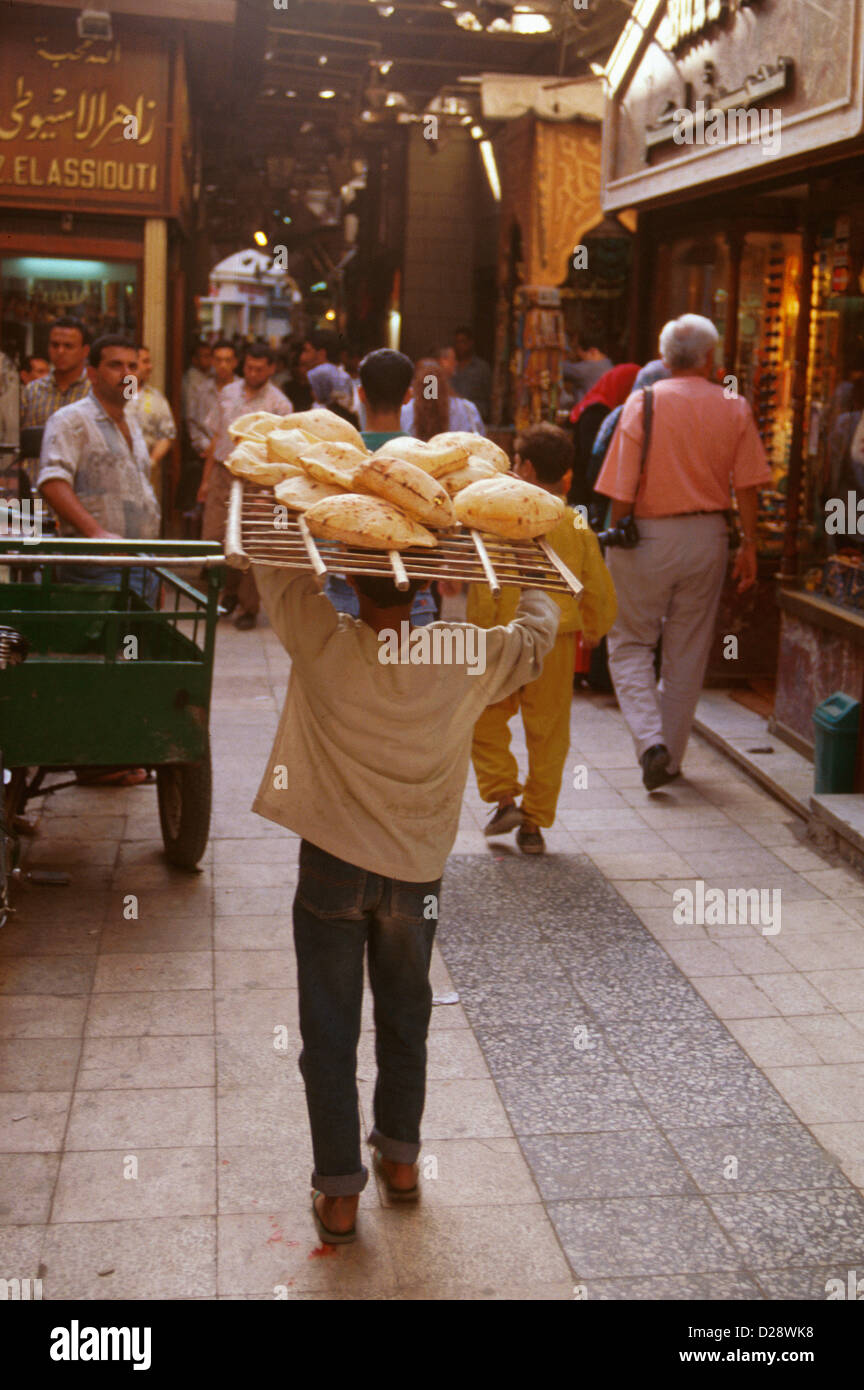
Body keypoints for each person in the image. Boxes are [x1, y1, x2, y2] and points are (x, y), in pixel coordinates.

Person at [251, 557, 560, 1241]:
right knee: (405, 1013)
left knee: (328, 1031)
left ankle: (338, 1196)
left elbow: (276, 572)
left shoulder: (325, 640)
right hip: (415, 876)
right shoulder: (463, 654)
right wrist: (517, 565)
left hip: (332, 866)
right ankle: (400, 1163)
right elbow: (537, 635)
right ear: (424, 583)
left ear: (348, 580)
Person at [594, 314, 771, 791]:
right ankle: (669, 760)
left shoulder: (642, 402)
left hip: (646, 538)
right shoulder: (734, 405)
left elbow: (621, 490)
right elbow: (749, 485)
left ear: (665, 357)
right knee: (687, 652)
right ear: (710, 358)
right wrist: (749, 544)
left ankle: (651, 743)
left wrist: (613, 538)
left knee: (630, 643)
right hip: (709, 536)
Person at [468, 423, 617, 854]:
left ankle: (502, 796)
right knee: (549, 732)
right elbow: (598, 585)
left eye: (515, 460)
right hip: (556, 639)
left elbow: (484, 584)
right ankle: (533, 824)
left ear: (527, 468)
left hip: (504, 639)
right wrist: (594, 625)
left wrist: (479, 634)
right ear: (565, 476)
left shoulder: (498, 520)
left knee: (483, 714)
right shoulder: (575, 523)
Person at [323, 348, 436, 626]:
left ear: (360, 393)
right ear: (408, 396)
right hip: (411, 596)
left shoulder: (334, 459)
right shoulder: (429, 461)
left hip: (343, 590)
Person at [198, 341, 292, 630]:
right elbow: (216, 438)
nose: (252, 373)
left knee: (251, 542)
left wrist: (275, 491)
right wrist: (205, 480)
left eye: (259, 368)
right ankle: (227, 595)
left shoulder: (280, 404)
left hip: (257, 480)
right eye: (249, 367)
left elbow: (284, 452)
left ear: (271, 369)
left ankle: (249, 607)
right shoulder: (227, 393)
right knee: (215, 537)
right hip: (223, 473)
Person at [21, 317, 91, 488]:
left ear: (84, 351)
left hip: (81, 492)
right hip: (36, 490)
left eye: (68, 346)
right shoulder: (32, 391)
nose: (60, 351)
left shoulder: (95, 393)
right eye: (55, 345)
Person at [568, 363, 640, 511]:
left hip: (587, 495)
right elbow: (592, 457)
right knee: (582, 531)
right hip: (585, 499)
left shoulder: (600, 406)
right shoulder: (596, 412)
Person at [128, 345, 176, 503]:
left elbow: (167, 434)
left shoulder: (156, 398)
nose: (150, 367)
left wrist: (151, 461)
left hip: (145, 476)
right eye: (145, 362)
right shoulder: (116, 394)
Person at [401, 356, 485, 438]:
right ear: (444, 383)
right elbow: (480, 440)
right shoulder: (467, 409)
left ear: (416, 383)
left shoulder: (404, 410)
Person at [451, 327, 492, 422]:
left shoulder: (482, 368)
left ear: (471, 343)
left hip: (475, 417)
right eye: (457, 342)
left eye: (463, 342)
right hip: (454, 418)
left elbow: (489, 395)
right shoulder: (451, 367)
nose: (459, 345)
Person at [562, 336, 613, 405]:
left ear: (593, 351)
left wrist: (564, 353)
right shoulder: (608, 364)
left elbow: (559, 368)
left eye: (579, 352)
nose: (577, 355)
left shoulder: (589, 369)